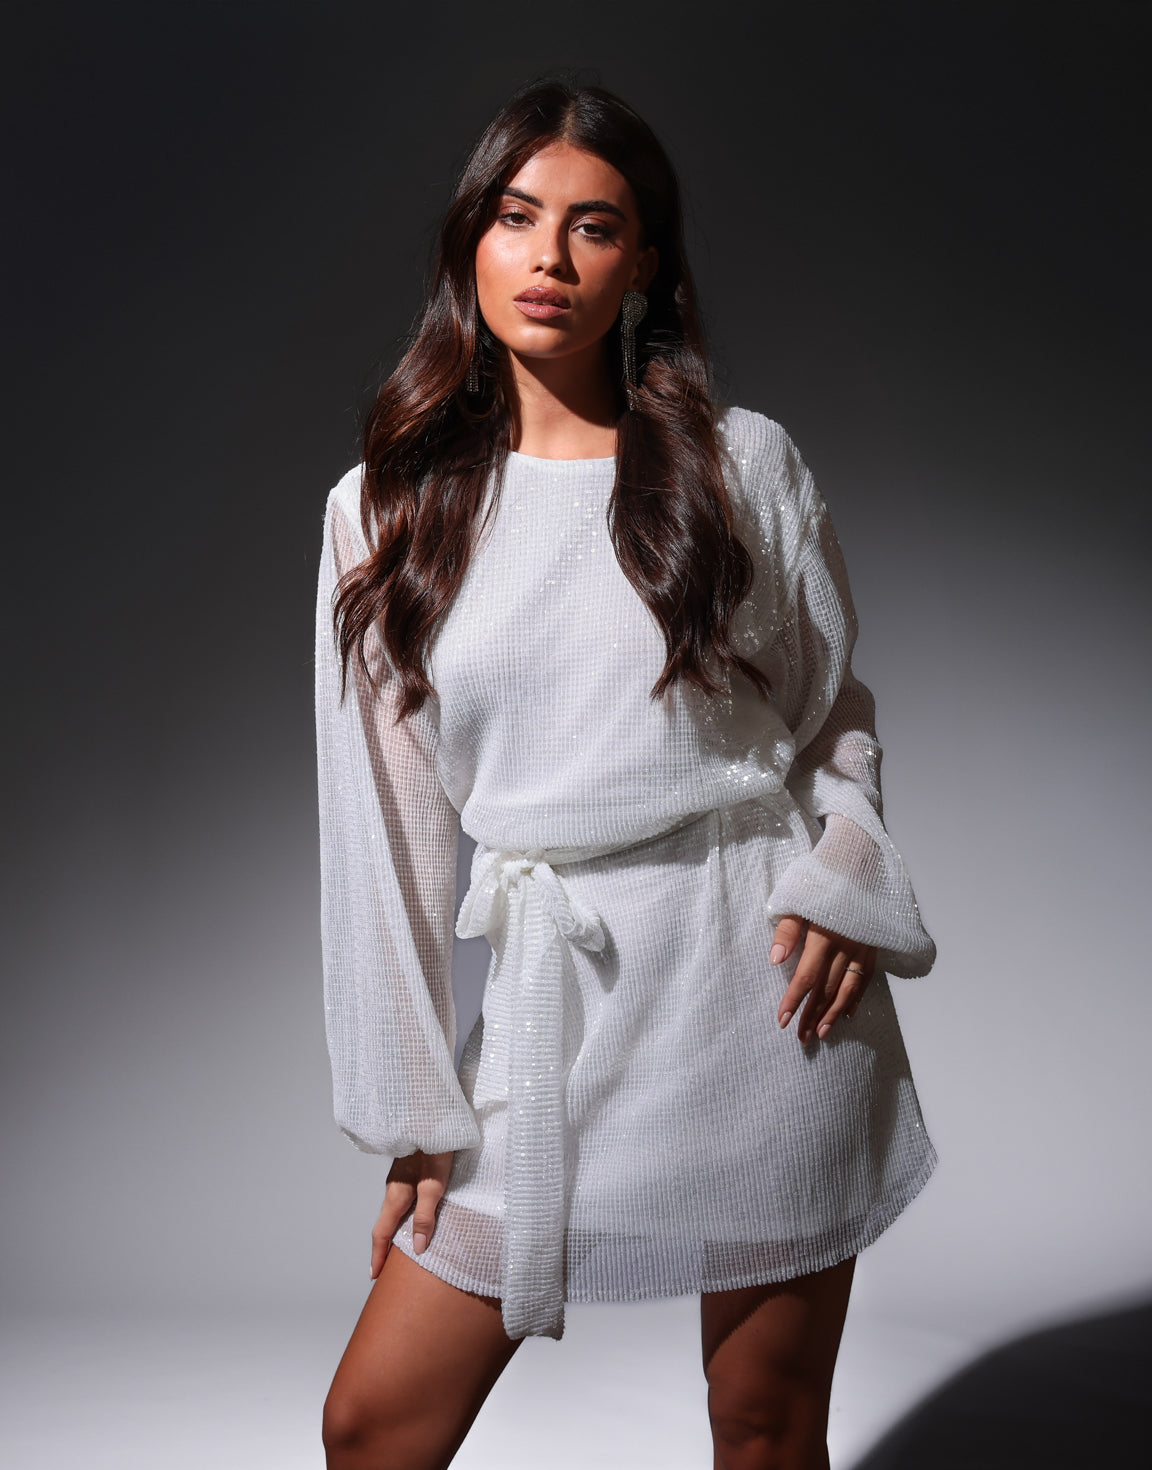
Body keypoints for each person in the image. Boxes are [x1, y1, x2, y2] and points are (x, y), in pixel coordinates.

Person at [315, 76, 937, 1470]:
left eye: (593, 227)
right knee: (373, 1426)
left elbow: (829, 710)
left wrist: (847, 871)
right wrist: (415, 1113)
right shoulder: (387, 510)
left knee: (764, 1428)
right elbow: (383, 835)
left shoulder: (740, 465)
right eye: (516, 216)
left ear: (642, 263)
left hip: (757, 997)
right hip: (557, 1006)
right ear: (471, 243)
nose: (549, 256)